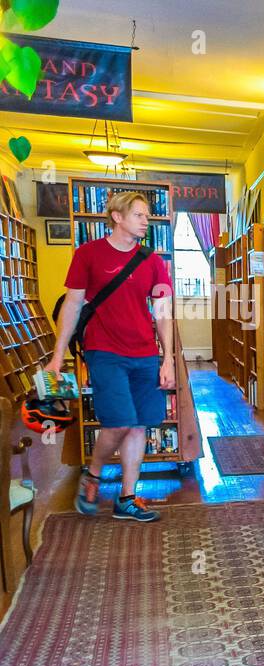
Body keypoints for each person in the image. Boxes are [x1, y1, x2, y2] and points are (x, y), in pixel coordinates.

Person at [46, 191, 174, 522]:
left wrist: (168, 358)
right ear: (117, 217)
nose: (147, 220)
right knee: (118, 421)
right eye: (139, 215)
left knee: (137, 426)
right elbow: (73, 305)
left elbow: (162, 312)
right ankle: (93, 472)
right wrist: (57, 356)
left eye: (147, 215)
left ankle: (127, 498)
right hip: (104, 351)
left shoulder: (153, 261)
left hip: (145, 353)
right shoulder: (88, 254)